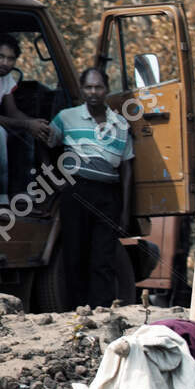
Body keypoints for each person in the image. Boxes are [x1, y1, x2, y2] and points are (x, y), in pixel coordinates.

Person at [47, 67, 134, 306]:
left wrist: (125, 210)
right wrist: (56, 178)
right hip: (76, 192)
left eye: (98, 87)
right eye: (88, 87)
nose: (93, 92)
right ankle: (77, 313)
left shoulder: (121, 124)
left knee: (103, 258)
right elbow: (47, 143)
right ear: (82, 90)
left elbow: (127, 169)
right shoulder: (67, 117)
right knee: (75, 255)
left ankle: (102, 311)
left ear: (106, 89)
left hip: (108, 195)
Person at [0, 33, 52, 211]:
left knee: (26, 132)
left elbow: (12, 111)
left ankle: (22, 196)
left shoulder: (5, 77)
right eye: (0, 56)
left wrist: (37, 125)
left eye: (10, 59)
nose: (5, 63)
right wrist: (27, 124)